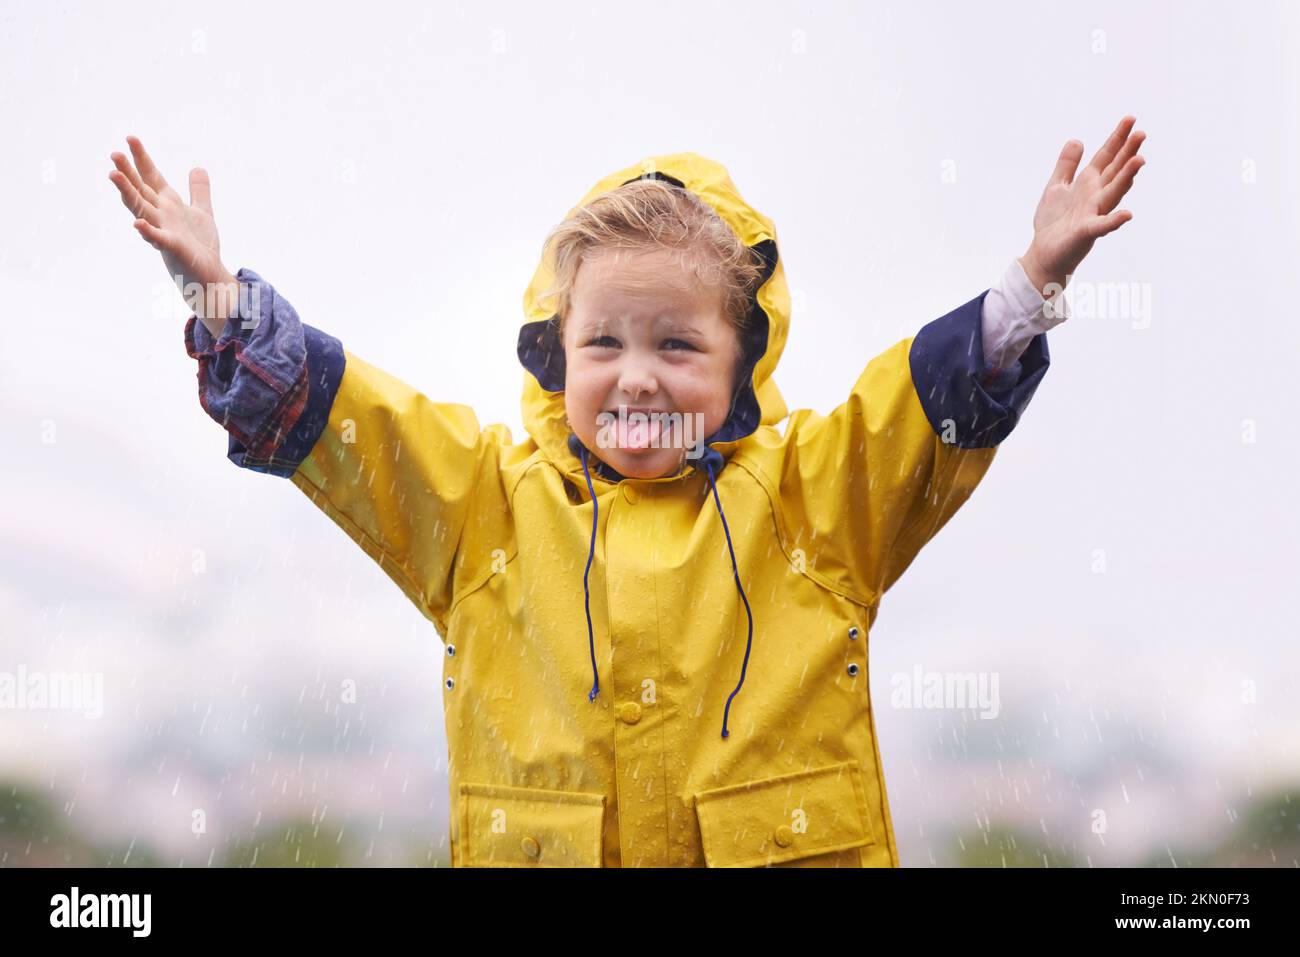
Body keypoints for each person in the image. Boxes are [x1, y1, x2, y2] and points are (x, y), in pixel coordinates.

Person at [108, 120, 1145, 867]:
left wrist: (1032, 281)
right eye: (603, 341)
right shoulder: (483, 508)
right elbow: (341, 413)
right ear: (556, 357)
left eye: (678, 344)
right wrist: (213, 292)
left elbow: (923, 403)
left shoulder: (813, 502)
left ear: (741, 365)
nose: (637, 373)